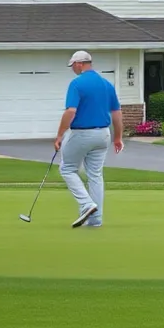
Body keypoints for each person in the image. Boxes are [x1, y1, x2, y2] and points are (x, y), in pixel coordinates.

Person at [55, 50, 123, 228]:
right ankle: (95, 219)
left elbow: (71, 111)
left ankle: (86, 204)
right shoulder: (106, 84)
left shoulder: (77, 84)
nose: (73, 69)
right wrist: (118, 137)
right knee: (95, 175)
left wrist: (59, 135)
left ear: (79, 64)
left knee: (67, 169)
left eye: (73, 66)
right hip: (103, 134)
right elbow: (116, 113)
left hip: (82, 133)